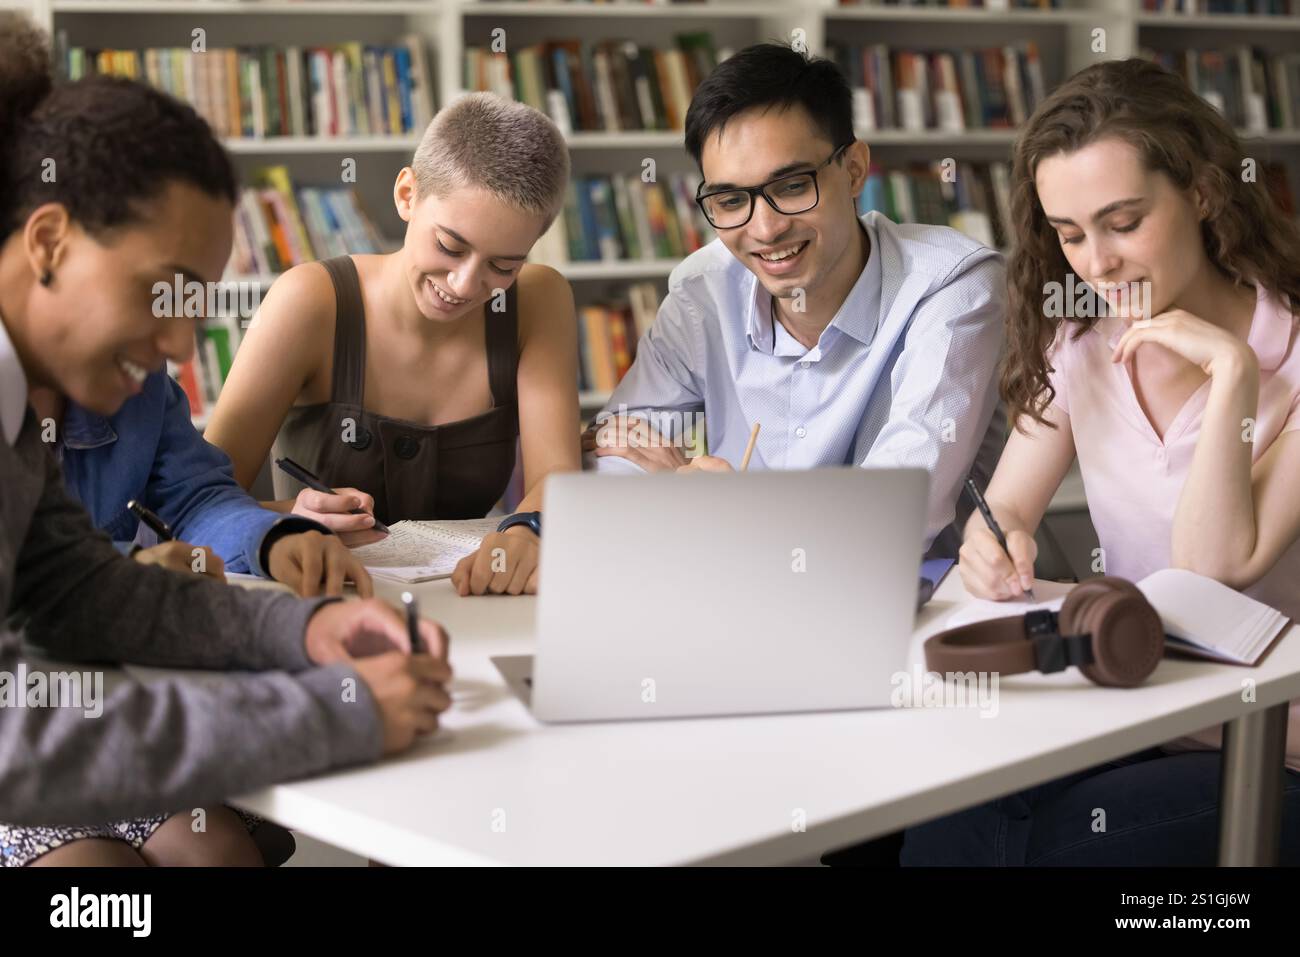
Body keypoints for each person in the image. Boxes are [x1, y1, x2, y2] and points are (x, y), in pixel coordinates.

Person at [0, 14, 450, 866]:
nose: (178, 344)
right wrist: (338, 711)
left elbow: (78, 592)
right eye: (161, 292)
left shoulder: (19, 410)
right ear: (49, 240)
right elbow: (17, 733)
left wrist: (301, 635)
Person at [903, 58, 1300, 865]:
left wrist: (1231, 375)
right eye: (1071, 233)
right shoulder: (1080, 345)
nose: (1096, 263)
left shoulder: (1290, 354)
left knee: (1068, 845)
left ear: (1202, 192)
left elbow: (1212, 565)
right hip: (1135, 700)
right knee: (947, 810)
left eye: (1123, 222)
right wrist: (996, 541)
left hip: (1269, 738)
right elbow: (1005, 506)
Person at [582, 43, 1007, 558]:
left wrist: (727, 510)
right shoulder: (703, 292)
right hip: (743, 596)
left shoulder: (952, 286)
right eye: (731, 200)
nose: (764, 229)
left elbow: (892, 516)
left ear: (854, 170)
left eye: (790, 186)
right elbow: (617, 450)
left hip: (920, 608)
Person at [206, 93, 581, 596]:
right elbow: (198, 498)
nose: (467, 284)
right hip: (316, 600)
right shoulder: (310, 301)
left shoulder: (540, 298)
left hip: (471, 601)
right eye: (450, 245)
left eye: (503, 265)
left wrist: (526, 530)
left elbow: (555, 476)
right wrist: (287, 514)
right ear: (407, 195)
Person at [26, 374, 374, 597]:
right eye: (151, 292)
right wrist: (115, 569)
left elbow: (196, 498)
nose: (179, 344)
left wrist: (270, 539)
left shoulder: (143, 379)